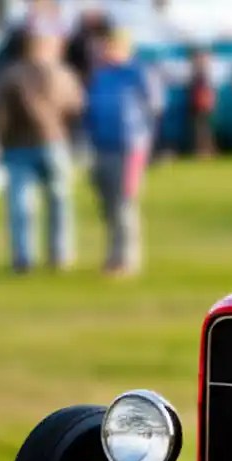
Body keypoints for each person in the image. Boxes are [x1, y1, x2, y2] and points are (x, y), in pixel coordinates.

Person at [0, 19, 84, 274]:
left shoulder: (27, 74)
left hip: (38, 145)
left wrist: (0, 141)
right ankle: (41, 256)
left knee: (41, 204)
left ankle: (42, 256)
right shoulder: (49, 75)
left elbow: (75, 107)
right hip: (36, 145)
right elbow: (76, 109)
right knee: (41, 205)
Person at [85, 27, 159, 276]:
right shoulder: (100, 75)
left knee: (124, 203)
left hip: (129, 147)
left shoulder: (137, 73)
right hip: (102, 145)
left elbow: (154, 106)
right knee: (107, 204)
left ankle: (126, 259)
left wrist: (144, 138)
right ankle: (112, 255)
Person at [186, 46, 216, 157]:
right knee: (201, 127)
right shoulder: (199, 73)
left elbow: (207, 91)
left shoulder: (202, 74)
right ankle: (204, 149)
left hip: (202, 104)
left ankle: (205, 150)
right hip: (199, 103)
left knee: (203, 128)